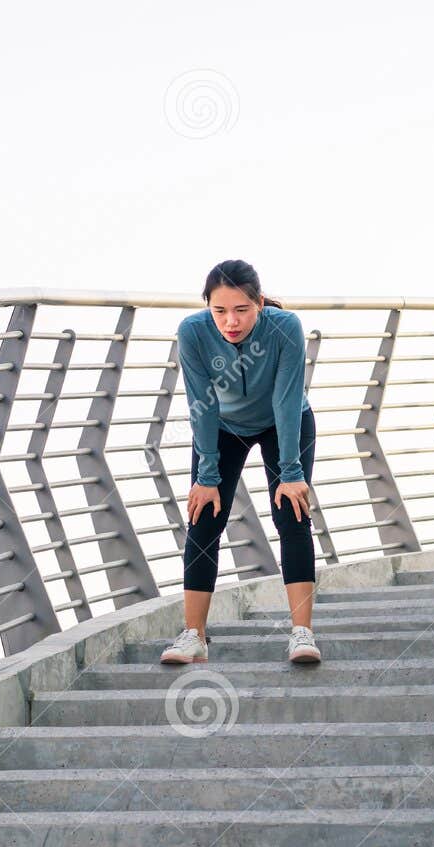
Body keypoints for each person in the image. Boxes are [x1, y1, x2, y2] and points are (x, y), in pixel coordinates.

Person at [159, 259, 320, 665]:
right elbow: (202, 403)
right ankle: (194, 636)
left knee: (291, 512)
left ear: (260, 303)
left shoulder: (285, 328)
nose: (230, 321)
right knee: (204, 516)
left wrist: (291, 473)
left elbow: (285, 401)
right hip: (224, 425)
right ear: (208, 307)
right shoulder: (192, 332)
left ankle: (302, 633)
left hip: (282, 422)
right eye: (220, 311)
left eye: (242, 310)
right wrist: (207, 475)